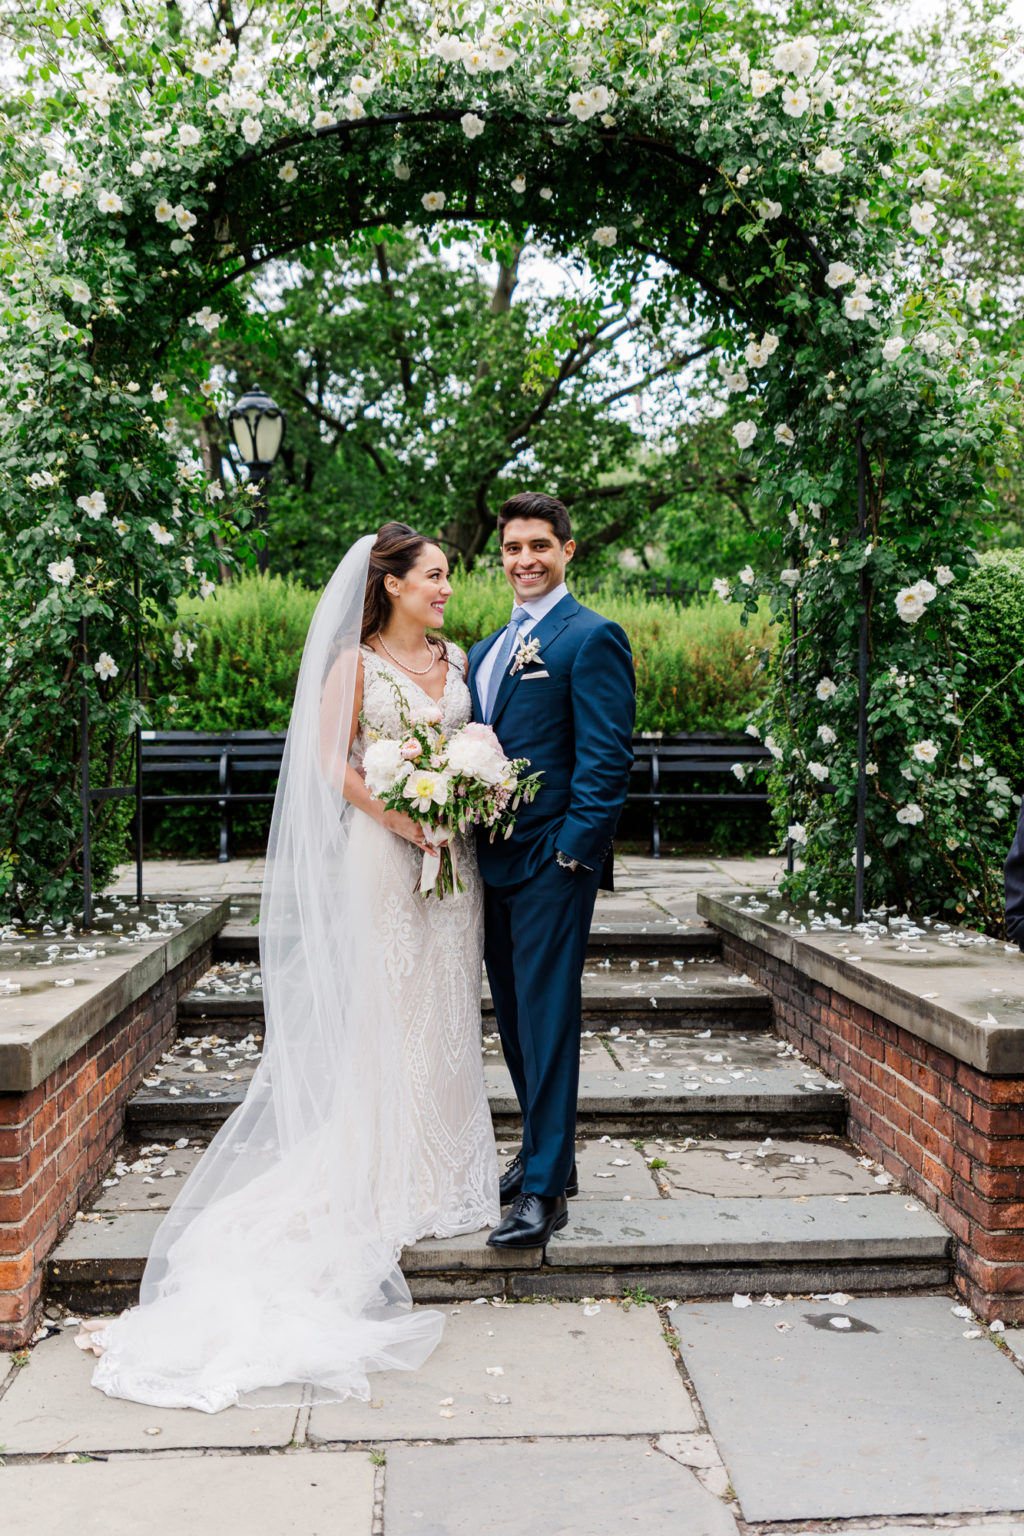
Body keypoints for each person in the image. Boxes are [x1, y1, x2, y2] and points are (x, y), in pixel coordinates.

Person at [78, 524, 499, 1411]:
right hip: (385, 859)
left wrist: (470, 787)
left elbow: (472, 745)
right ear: (390, 586)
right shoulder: (355, 662)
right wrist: (400, 817)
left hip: (452, 865)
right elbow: (327, 763)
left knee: (445, 1005)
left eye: (449, 576)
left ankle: (441, 1168)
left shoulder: (459, 658)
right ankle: (378, 1171)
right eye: (434, 576)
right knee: (389, 1009)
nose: (447, 588)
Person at [468, 492, 636, 1249]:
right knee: (515, 1019)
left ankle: (544, 1196)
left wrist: (575, 851)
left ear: (569, 550)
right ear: (499, 556)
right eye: (512, 548)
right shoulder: (482, 651)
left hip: (550, 864)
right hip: (490, 863)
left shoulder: (589, 637)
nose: (525, 560)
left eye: (539, 545)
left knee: (548, 1019)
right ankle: (548, 1157)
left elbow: (607, 757)